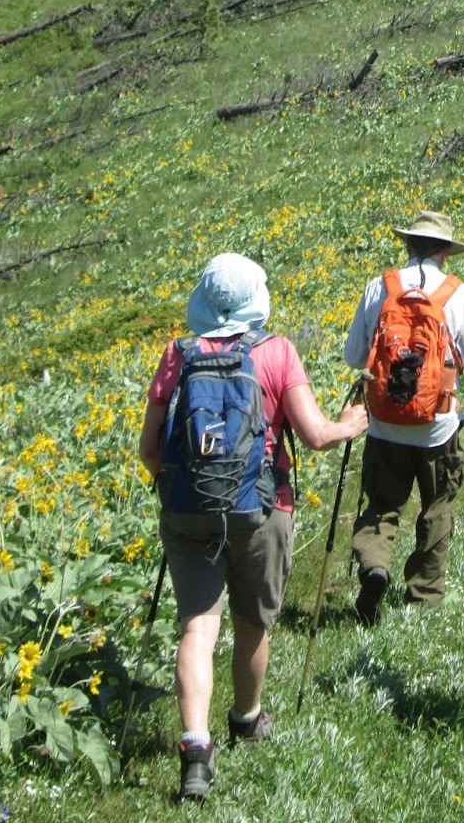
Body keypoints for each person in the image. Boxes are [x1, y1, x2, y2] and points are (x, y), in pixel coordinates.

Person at [138, 253, 367, 802]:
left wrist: (188, 486)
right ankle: (245, 717)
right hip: (261, 509)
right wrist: (350, 425)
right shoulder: (276, 351)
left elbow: (149, 451)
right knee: (252, 621)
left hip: (189, 510)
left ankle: (195, 748)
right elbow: (312, 434)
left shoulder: (177, 355)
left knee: (197, 626)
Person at [344, 209, 464, 623]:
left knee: (382, 504)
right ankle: (423, 596)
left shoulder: (380, 287)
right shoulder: (458, 295)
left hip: (385, 423)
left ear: (408, 244)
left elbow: (355, 356)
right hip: (436, 427)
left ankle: (374, 567)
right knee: (437, 506)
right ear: (446, 251)